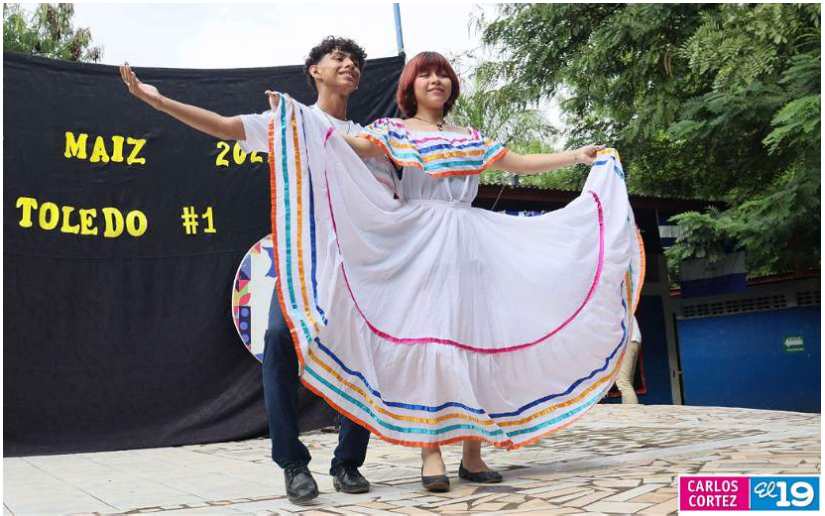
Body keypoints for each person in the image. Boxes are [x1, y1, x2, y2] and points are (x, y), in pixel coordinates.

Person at [262, 51, 644, 493]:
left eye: (442, 74)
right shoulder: (392, 131)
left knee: (475, 340)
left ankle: (473, 452)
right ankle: (431, 452)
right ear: (410, 86)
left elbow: (517, 162)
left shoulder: (470, 136)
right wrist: (296, 118)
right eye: (425, 74)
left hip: (470, 242)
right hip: (419, 243)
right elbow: (349, 145)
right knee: (433, 345)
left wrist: (575, 155)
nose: (435, 80)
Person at [119, 36, 394, 504]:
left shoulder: (370, 140)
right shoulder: (288, 125)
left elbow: (390, 202)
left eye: (355, 62)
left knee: (362, 360)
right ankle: (292, 464)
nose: (349, 65)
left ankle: (348, 462)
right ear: (315, 71)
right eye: (338, 58)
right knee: (278, 346)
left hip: (352, 270)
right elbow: (225, 127)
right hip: (301, 262)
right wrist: (157, 100)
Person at [615, 316, 642, 404]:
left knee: (623, 382)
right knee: (627, 381)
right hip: (633, 339)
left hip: (627, 340)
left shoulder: (613, 304)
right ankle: (629, 410)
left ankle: (632, 413)